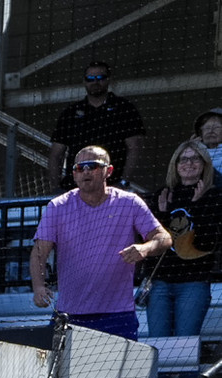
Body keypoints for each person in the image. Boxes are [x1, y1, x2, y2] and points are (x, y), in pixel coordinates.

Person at [30, 144, 168, 340]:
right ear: (74, 174)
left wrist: (146, 248)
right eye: (79, 167)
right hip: (70, 314)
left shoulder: (130, 202)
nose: (85, 171)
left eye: (92, 166)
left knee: (122, 372)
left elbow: (164, 238)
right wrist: (38, 286)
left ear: (108, 171)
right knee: (62, 371)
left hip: (118, 315)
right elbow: (38, 252)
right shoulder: (57, 206)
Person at [146, 140, 222, 337]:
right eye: (184, 159)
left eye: (195, 158)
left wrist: (196, 207)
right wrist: (162, 215)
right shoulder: (163, 195)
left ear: (204, 164)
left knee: (185, 344)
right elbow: (151, 241)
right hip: (161, 282)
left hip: (194, 282)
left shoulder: (214, 196)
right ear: (175, 164)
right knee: (157, 344)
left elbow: (207, 243)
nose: (189, 163)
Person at [49, 61, 146, 190]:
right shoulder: (71, 112)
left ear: (109, 80)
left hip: (112, 186)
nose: (95, 82)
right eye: (90, 79)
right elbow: (56, 153)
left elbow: (135, 147)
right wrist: (57, 187)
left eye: (100, 78)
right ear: (84, 81)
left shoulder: (124, 108)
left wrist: (123, 182)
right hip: (76, 188)